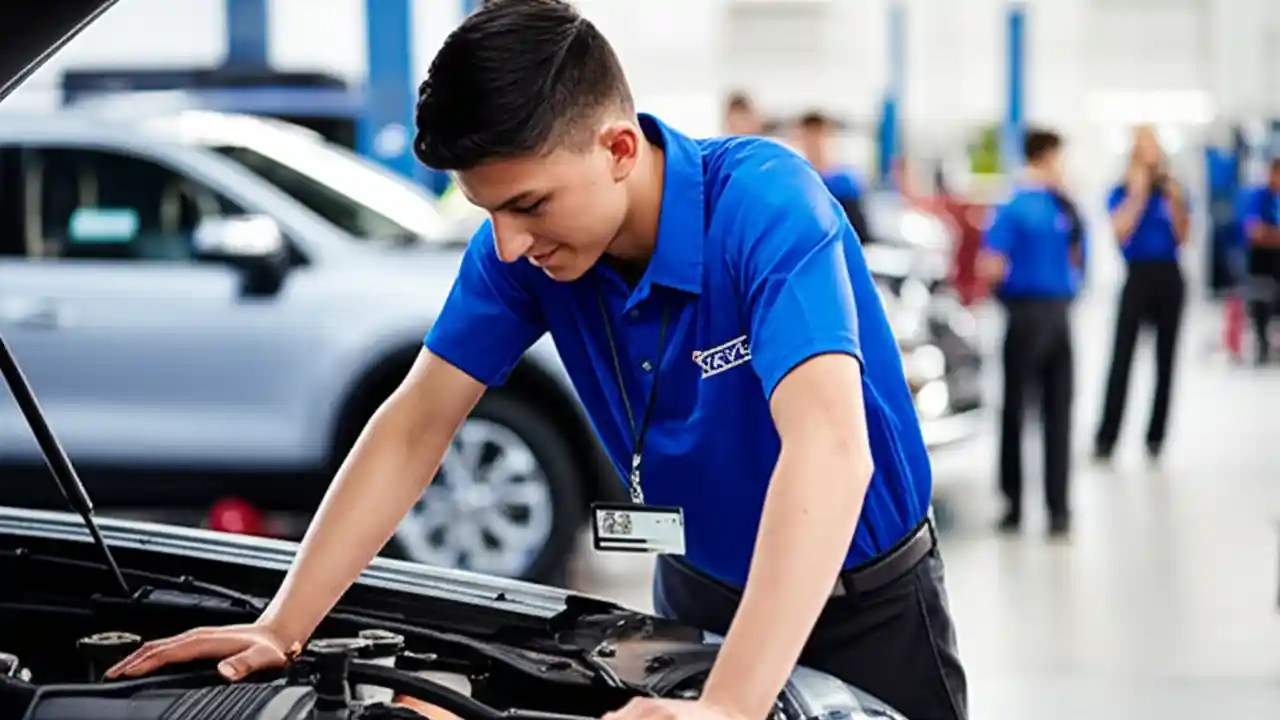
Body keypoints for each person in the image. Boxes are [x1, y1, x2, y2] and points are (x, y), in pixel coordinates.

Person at [102, 2, 968, 719]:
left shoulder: (767, 208)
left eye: (528, 204)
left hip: (864, 609)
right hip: (696, 598)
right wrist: (283, 623)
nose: (509, 245)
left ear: (619, 148)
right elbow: (415, 425)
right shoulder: (523, 254)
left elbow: (829, 448)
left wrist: (731, 708)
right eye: (489, 213)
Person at [978, 129, 1085, 537]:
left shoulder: (1065, 205)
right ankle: (1014, 504)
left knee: (1057, 410)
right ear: (1044, 156)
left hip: (1058, 314)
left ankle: (1059, 508)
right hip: (1027, 313)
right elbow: (993, 264)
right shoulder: (1015, 206)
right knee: (1017, 410)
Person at [1093, 125, 1190, 463]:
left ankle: (1155, 438)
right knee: (1122, 358)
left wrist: (1174, 201)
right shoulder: (1121, 191)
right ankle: (1107, 438)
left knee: (1166, 362)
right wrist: (1138, 193)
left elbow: (1182, 236)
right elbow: (1119, 233)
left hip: (1170, 277)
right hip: (1137, 277)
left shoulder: (1172, 191)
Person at [792, 110, 876, 245]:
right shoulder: (796, 181)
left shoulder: (845, 182)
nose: (815, 143)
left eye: (819, 135)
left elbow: (860, 231)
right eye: (809, 136)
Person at [1238, 157, 1280, 364]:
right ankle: (1263, 346)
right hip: (1262, 260)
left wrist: (1268, 234)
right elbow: (1253, 231)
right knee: (1260, 302)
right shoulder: (1258, 197)